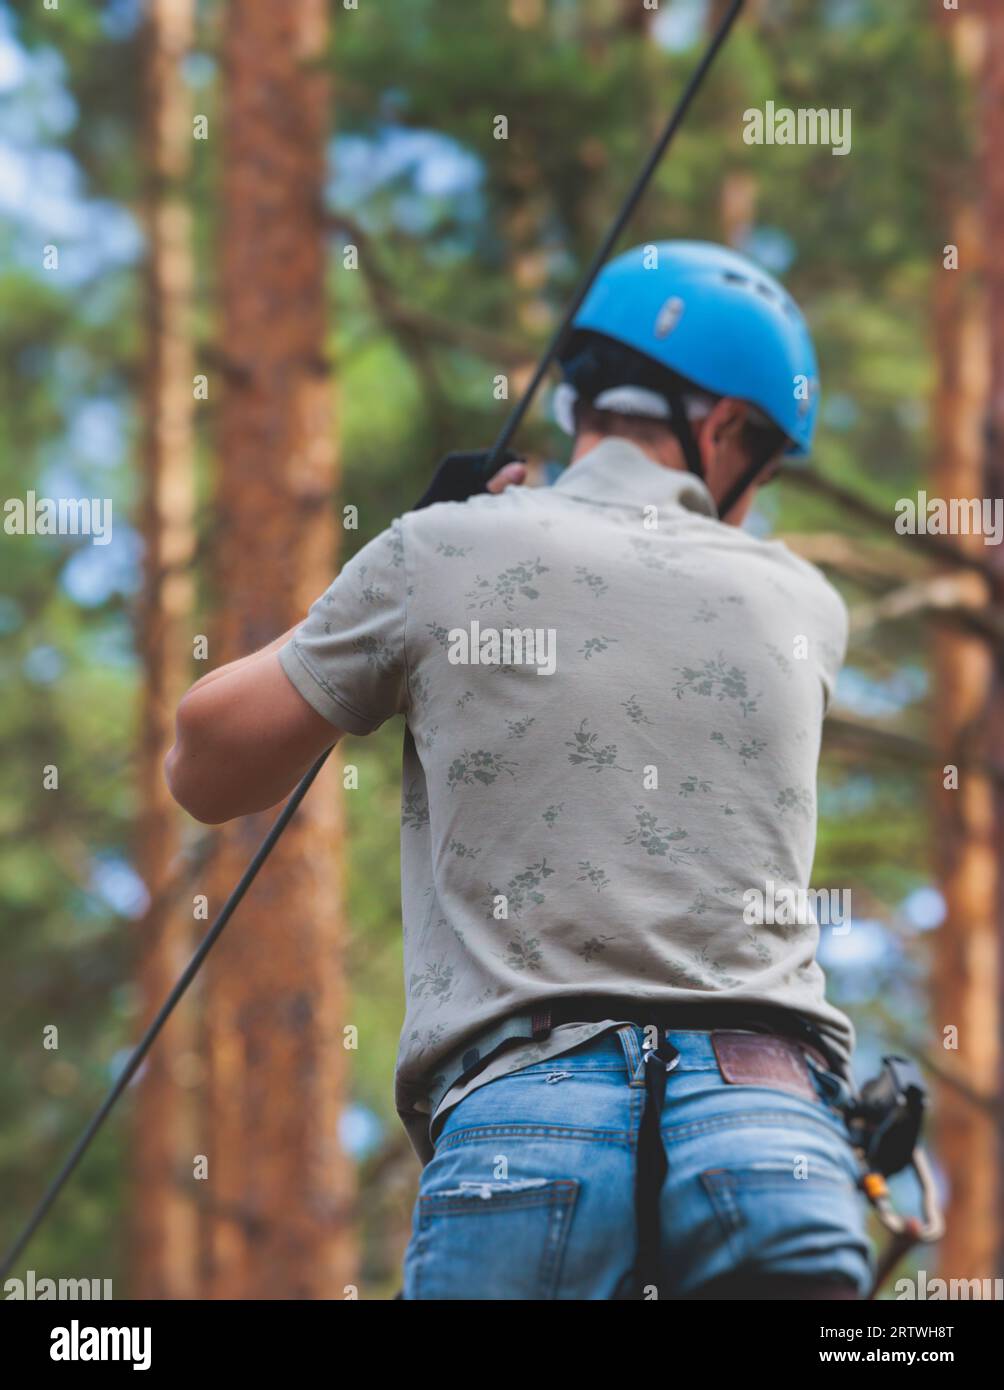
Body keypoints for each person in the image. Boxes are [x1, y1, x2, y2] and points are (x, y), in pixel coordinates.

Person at [166, 241, 873, 1300]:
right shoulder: (804, 603)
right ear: (721, 429)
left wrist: (397, 575)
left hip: (526, 1122)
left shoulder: (443, 550)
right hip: (765, 1124)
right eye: (758, 477)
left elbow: (204, 766)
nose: (751, 505)